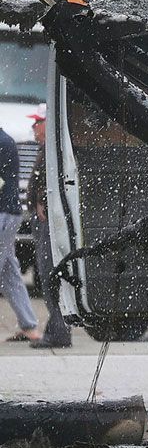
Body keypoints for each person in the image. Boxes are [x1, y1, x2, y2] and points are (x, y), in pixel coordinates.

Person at [26, 105, 71, 349]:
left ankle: (59, 330)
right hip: (42, 219)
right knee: (47, 274)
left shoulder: (53, 150)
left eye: (37, 122)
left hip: (47, 222)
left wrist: (42, 200)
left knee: (49, 272)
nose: (33, 128)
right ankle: (56, 327)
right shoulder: (47, 149)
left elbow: (51, 179)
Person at [0, 124, 41, 342]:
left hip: (3, 214)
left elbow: (2, 182)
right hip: (9, 213)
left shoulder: (2, 142)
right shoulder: (5, 141)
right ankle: (29, 326)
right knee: (9, 273)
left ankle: (30, 326)